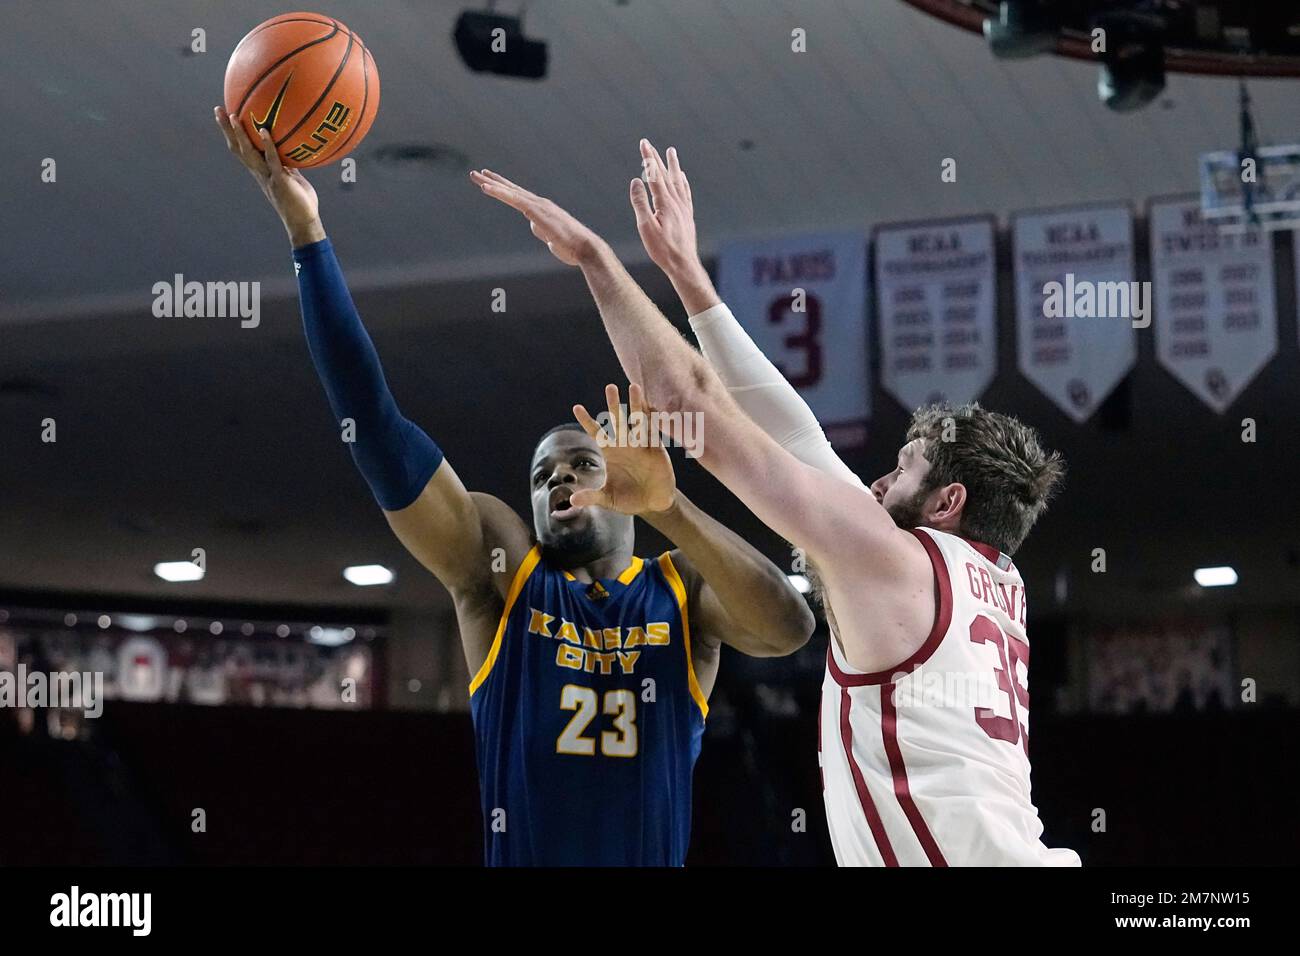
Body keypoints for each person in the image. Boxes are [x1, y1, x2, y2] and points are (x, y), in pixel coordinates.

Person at [214, 110, 814, 866]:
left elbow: (788, 629)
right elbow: (373, 426)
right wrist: (308, 238)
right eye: (541, 473)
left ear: (627, 475)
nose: (557, 475)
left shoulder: (681, 589)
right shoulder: (501, 571)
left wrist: (676, 510)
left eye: (579, 462)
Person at [471, 141, 1081, 866]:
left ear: (948, 500)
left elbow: (683, 401)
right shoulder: (989, 580)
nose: (878, 483)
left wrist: (598, 262)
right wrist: (690, 279)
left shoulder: (890, 558)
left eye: (902, 469)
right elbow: (795, 433)